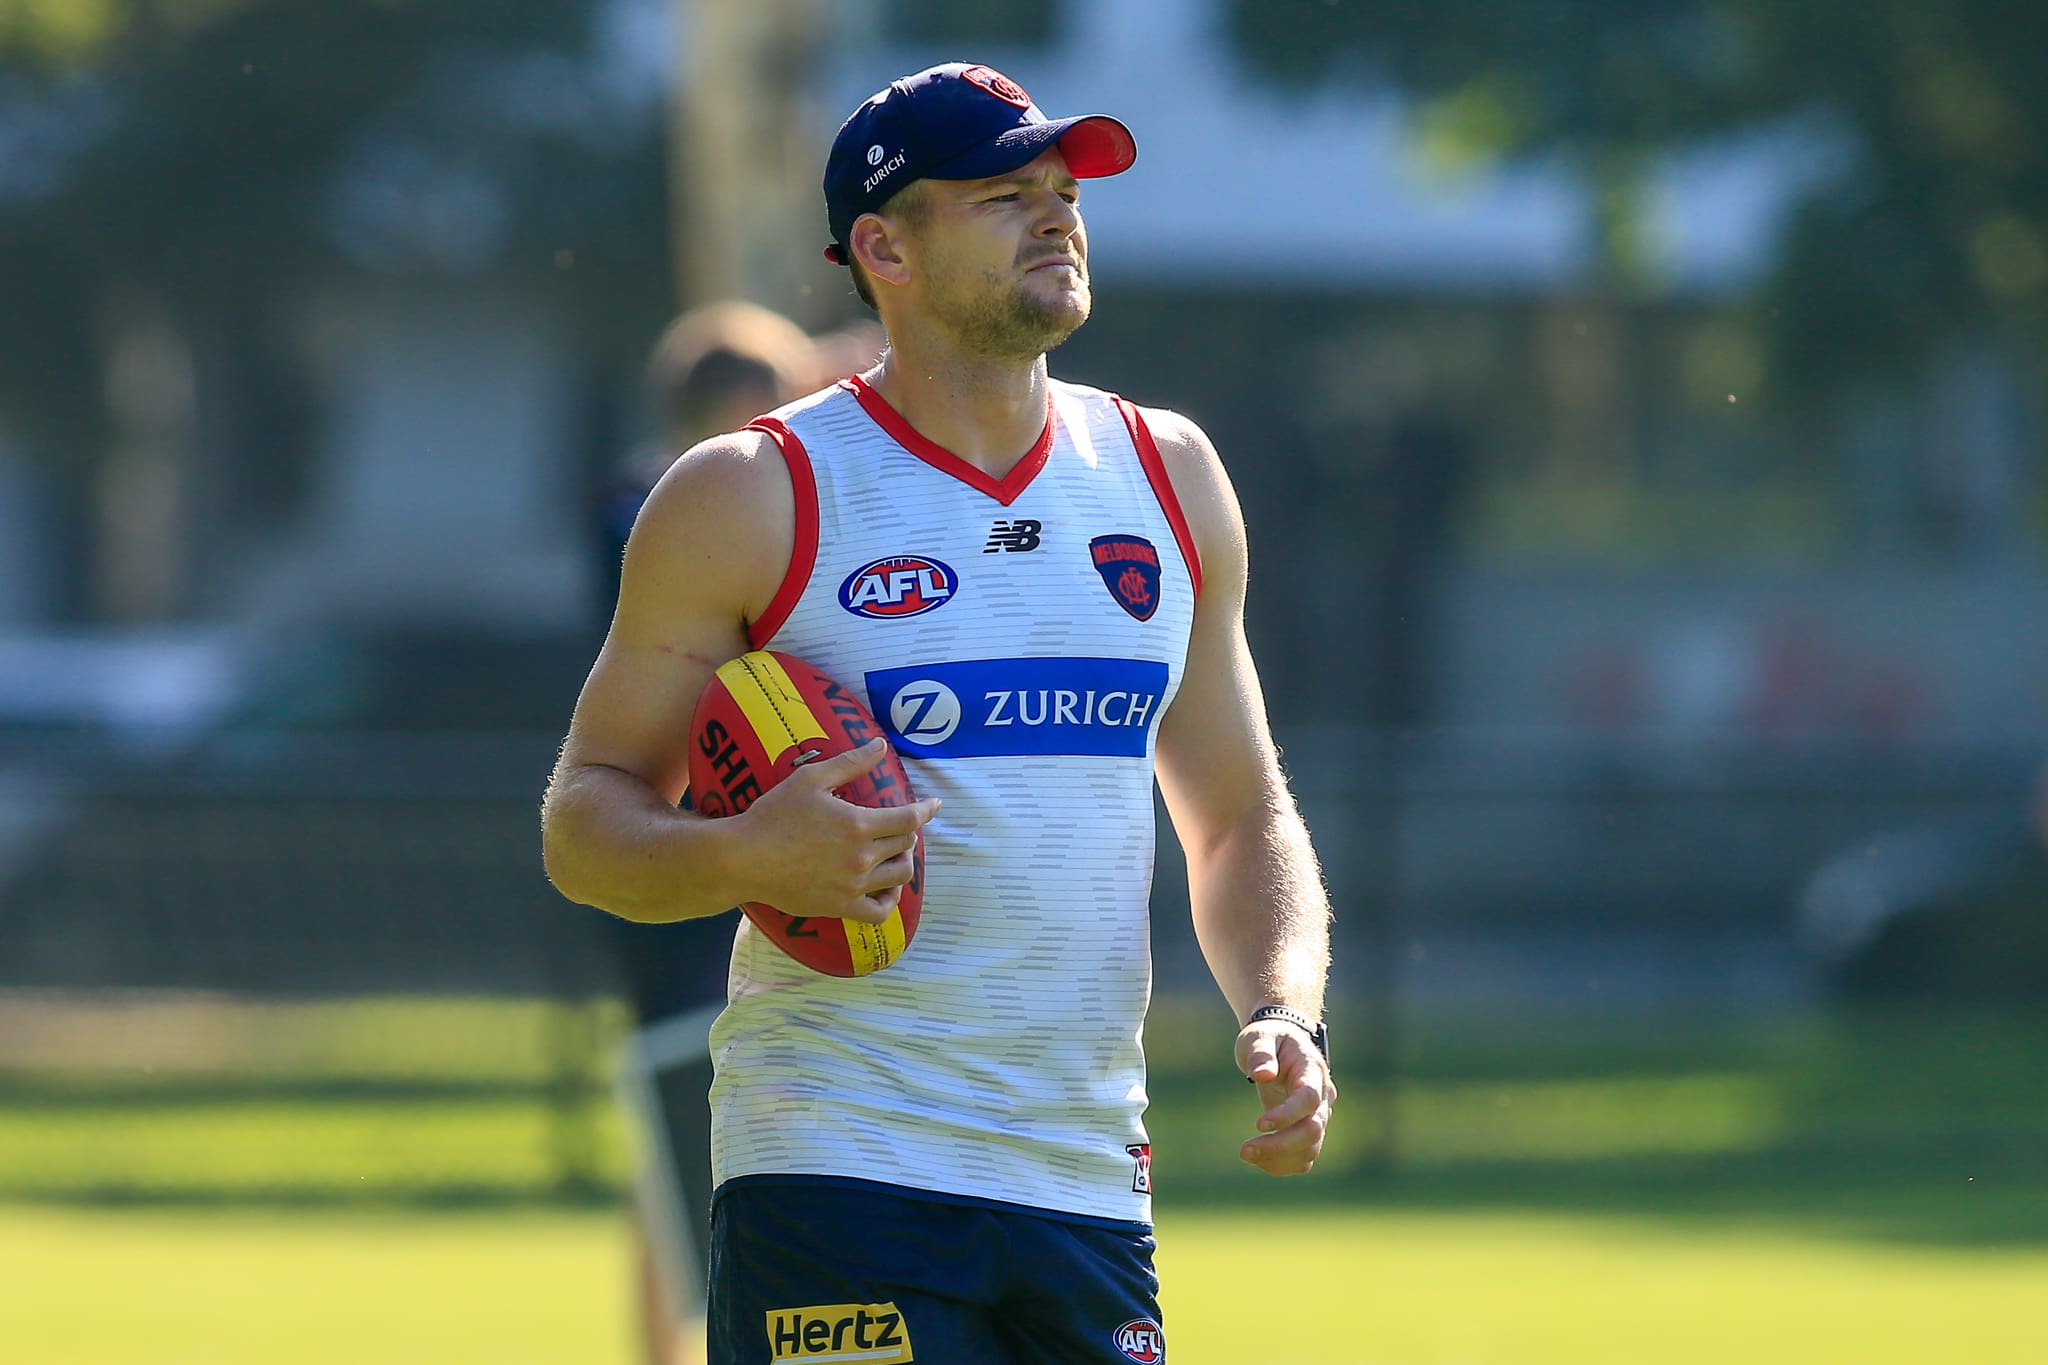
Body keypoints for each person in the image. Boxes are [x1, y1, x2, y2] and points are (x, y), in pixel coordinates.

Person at [543, 62, 1335, 1364]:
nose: (1057, 213)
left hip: (1086, 1180)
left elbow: (1243, 812)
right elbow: (585, 820)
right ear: (882, 246)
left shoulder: (1169, 477)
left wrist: (1284, 1009)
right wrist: (745, 856)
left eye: (1063, 188)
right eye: (1002, 193)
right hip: (837, 1167)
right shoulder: (751, 493)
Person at [595, 299, 844, 1365]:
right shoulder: (645, 510)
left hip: (771, 863)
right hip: (690, 871)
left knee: (707, 1148)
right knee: (685, 1146)